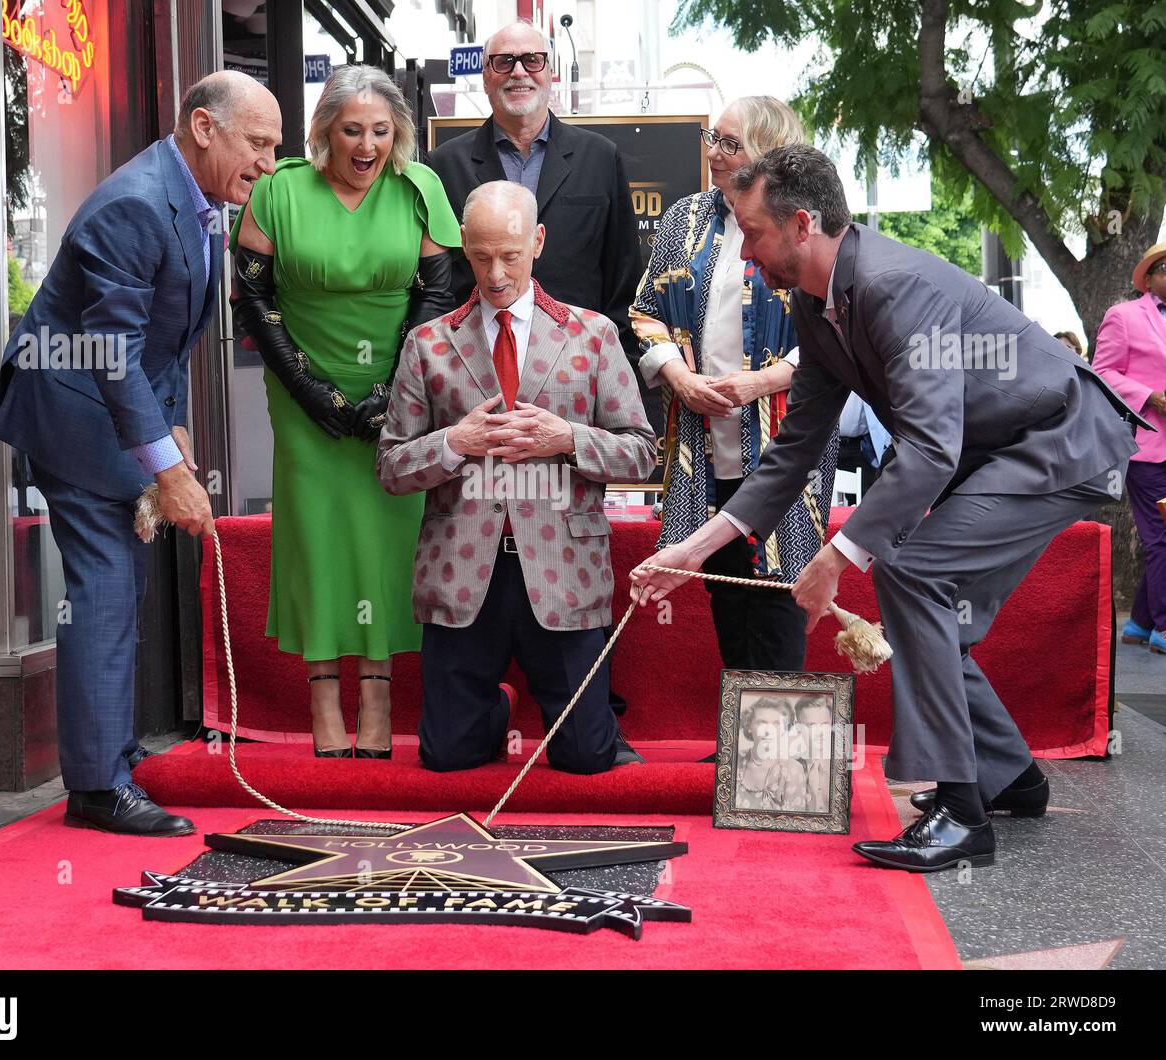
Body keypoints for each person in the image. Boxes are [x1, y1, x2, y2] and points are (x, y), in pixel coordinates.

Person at [630, 145, 1144, 872]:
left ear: (801, 223)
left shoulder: (892, 285)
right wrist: (693, 550)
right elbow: (794, 450)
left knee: (916, 575)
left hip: (1063, 438)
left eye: (751, 232)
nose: (742, 251)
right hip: (1004, 448)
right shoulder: (815, 301)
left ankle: (964, 814)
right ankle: (1010, 776)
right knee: (924, 590)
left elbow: (930, 450)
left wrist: (834, 558)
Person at [0, 71, 282, 836]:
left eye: (276, 147)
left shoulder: (192, 196)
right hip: (74, 411)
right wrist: (171, 470)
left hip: (107, 405)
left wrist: (175, 427)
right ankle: (94, 788)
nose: (269, 163)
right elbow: (112, 352)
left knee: (117, 593)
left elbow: (165, 340)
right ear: (203, 126)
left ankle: (109, 759)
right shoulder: (134, 203)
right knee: (106, 592)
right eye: (259, 143)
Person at [377, 181, 654, 774]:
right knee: (447, 757)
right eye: (479, 257)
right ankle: (497, 708)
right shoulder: (428, 343)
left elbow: (641, 454)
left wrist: (568, 439)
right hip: (461, 571)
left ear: (539, 243)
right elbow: (391, 468)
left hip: (565, 568)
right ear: (463, 250)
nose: (495, 273)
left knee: (586, 758)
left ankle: (574, 722)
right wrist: (455, 443)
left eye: (509, 255)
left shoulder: (593, 335)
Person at [230, 65, 460, 757]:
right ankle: (324, 701)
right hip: (301, 392)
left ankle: (379, 701)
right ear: (325, 130)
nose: (367, 146)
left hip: (399, 390)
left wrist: (393, 391)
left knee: (388, 536)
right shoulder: (277, 190)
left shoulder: (420, 189)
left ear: (399, 135)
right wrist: (309, 390)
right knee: (318, 537)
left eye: (381, 132)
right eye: (352, 130)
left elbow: (437, 295)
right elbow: (254, 298)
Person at [631, 96, 836, 679]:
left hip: (780, 440)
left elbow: (837, 329)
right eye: (711, 138)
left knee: (774, 593)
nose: (715, 153)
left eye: (730, 142)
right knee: (725, 589)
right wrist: (679, 377)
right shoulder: (683, 218)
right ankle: (739, 742)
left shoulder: (805, 227)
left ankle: (770, 751)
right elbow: (646, 311)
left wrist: (761, 382)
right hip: (702, 442)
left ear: (770, 155)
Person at [427, 19, 643, 380]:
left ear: (550, 72)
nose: (518, 72)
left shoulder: (600, 158)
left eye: (532, 60)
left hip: (580, 368)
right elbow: (440, 285)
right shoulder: (445, 165)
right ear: (485, 77)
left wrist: (620, 373)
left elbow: (623, 277)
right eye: (504, 62)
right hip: (476, 372)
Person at [1092, 244, 1166, 654]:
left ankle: (1139, 622)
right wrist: (1149, 396)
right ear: (1149, 276)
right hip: (1146, 445)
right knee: (1159, 536)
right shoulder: (1124, 316)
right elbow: (1101, 373)